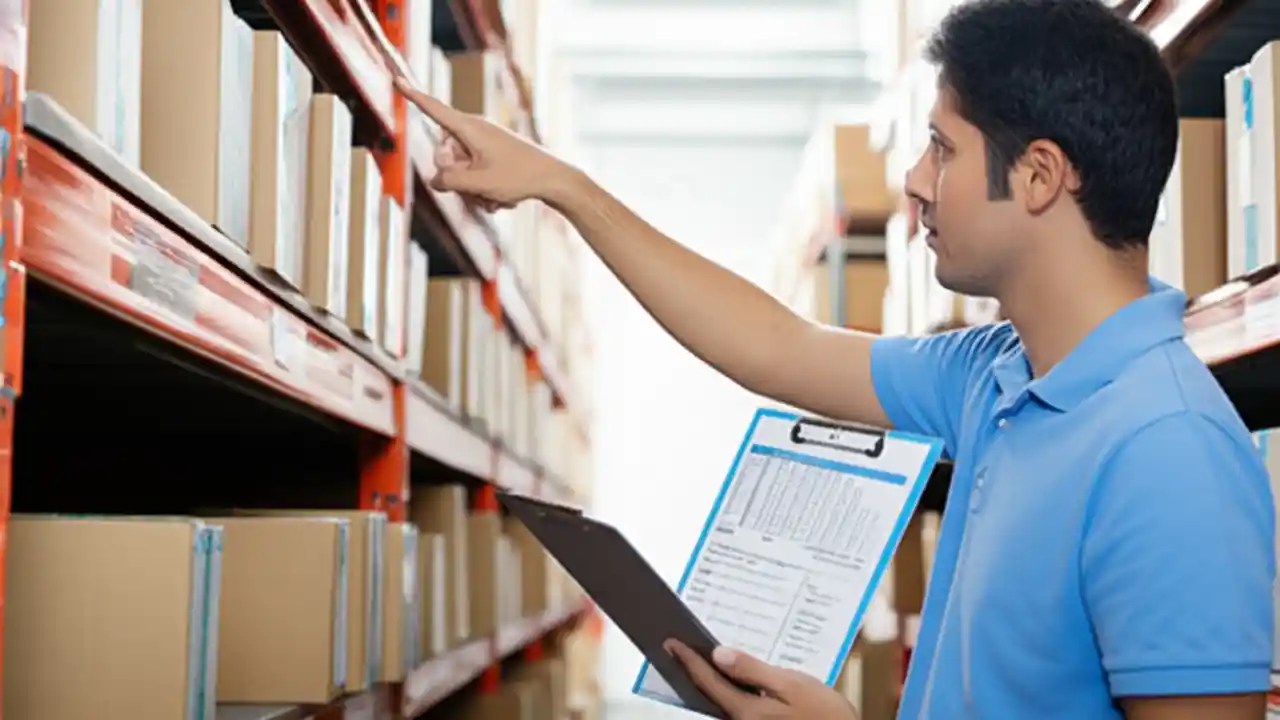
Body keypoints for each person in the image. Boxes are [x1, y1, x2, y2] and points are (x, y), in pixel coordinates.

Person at [399, 0, 1275, 716]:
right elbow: (780, 347)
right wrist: (562, 186)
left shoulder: (1168, 451)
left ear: (1040, 176)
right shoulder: (992, 377)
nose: (915, 182)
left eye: (943, 147)